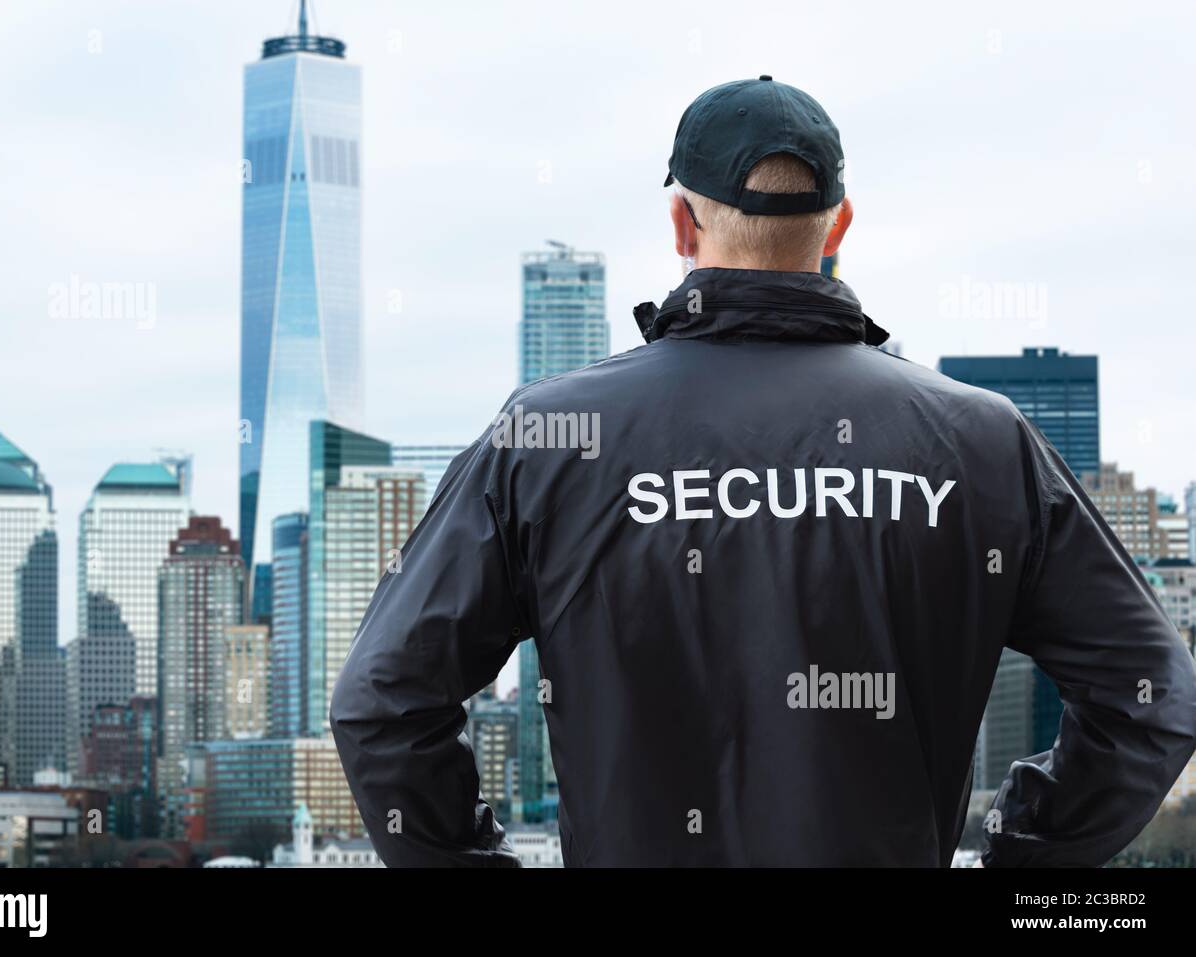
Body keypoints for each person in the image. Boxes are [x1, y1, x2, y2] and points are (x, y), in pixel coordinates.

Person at [330, 77, 1196, 866]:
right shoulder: (981, 440)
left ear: (680, 222)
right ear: (839, 227)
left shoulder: (550, 436)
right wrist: (1023, 857)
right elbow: (1152, 699)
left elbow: (383, 702)